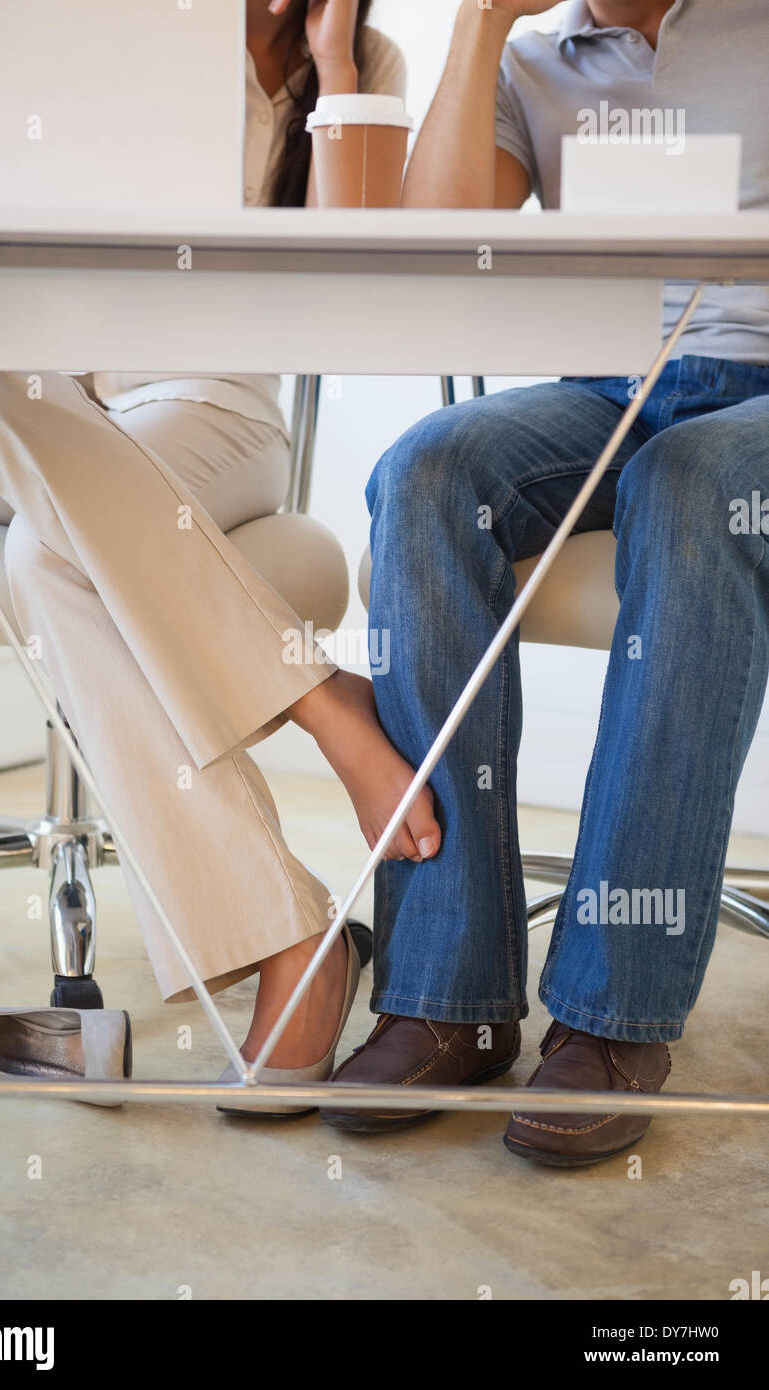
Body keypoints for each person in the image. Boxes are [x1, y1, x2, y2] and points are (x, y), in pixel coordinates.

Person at [0, 0, 436, 1106]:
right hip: (29, 397)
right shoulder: (103, 26)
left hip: (206, 409)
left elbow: (355, 286)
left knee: (51, 563)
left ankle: (294, 941)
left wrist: (336, 60)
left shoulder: (362, 58)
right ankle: (315, 700)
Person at [322, 0, 769, 1164]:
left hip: (758, 396)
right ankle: (445, 993)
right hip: (611, 384)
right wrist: (478, 21)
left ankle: (613, 1017)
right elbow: (433, 250)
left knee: (685, 480)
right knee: (424, 470)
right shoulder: (529, 56)